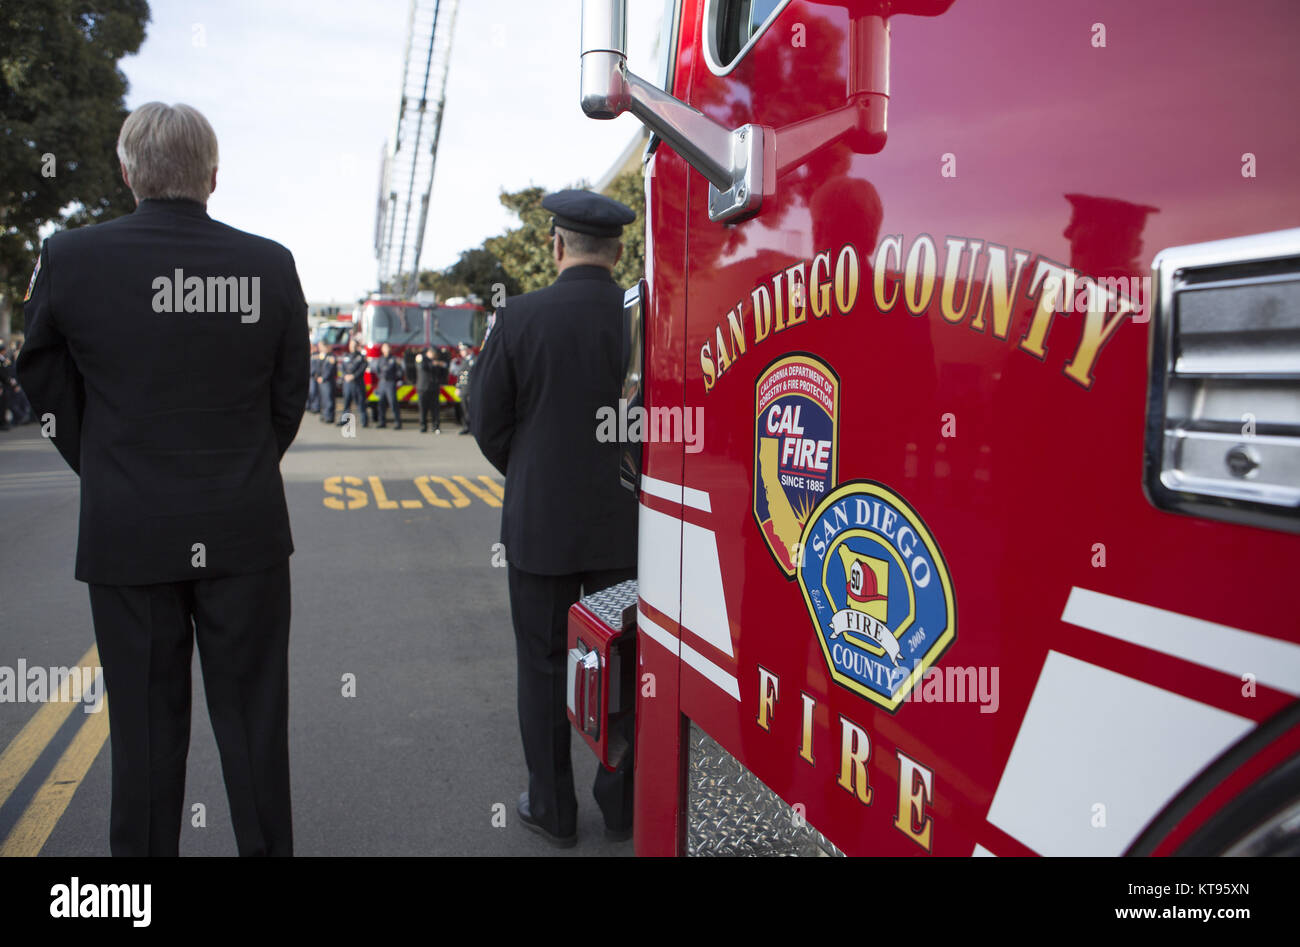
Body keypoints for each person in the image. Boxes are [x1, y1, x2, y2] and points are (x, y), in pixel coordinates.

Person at [16, 102, 307, 857]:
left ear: (126, 174)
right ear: (212, 176)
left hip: (128, 530)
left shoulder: (72, 256)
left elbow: (42, 373)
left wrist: (105, 458)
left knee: (143, 740)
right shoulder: (269, 263)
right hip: (243, 526)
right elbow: (288, 392)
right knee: (255, 734)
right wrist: (243, 462)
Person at [472, 188, 638, 847]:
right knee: (620, 662)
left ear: (556, 245)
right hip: (628, 524)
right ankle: (622, 804)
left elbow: (487, 424)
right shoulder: (646, 318)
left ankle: (553, 806)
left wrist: (535, 476)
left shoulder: (518, 317)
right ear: (619, 252)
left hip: (541, 526)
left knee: (541, 664)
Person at [416, 345, 447, 433]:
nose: (435, 356)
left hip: (434, 388)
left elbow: (443, 371)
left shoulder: (437, 362)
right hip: (423, 388)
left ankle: (436, 426)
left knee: (435, 408)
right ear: (429, 352)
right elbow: (422, 367)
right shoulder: (421, 358)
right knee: (423, 408)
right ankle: (423, 426)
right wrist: (435, 364)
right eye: (434, 353)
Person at [339, 337, 368, 428]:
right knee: (346, 403)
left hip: (357, 383)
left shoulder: (361, 357)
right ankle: (345, 420)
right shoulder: (346, 356)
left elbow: (362, 368)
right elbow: (342, 368)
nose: (352, 347)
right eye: (351, 345)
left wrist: (353, 376)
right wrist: (345, 376)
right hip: (347, 383)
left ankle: (364, 421)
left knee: (360, 403)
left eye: (354, 345)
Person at [374, 342, 403, 429]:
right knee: (381, 403)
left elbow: (399, 372)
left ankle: (398, 422)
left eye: (387, 347)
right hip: (382, 383)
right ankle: (382, 422)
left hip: (391, 383)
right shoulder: (380, 359)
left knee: (393, 403)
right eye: (384, 348)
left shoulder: (394, 359)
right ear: (382, 349)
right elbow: (377, 370)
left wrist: (395, 378)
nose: (386, 349)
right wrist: (381, 377)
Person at [314, 340, 337, 423]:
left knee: (329, 399)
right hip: (321, 381)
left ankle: (329, 417)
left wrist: (323, 378)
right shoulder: (321, 356)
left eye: (321, 346)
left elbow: (330, 370)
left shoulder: (331, 357)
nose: (320, 348)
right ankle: (324, 415)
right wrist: (317, 376)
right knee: (323, 399)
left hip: (328, 381)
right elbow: (317, 368)